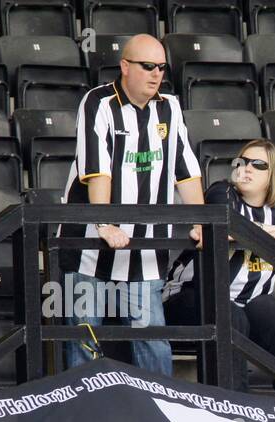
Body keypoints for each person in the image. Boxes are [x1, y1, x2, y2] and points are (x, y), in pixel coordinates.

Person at [60, 34, 205, 375]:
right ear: (125, 66)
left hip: (145, 245)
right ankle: (83, 410)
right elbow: (97, 169)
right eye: (147, 66)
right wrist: (104, 223)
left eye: (161, 67)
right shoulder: (97, 102)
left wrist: (201, 221)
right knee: (85, 336)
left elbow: (185, 169)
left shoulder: (169, 107)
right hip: (89, 243)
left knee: (152, 338)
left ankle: (162, 407)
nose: (156, 74)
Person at [163, 139, 275, 393]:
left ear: (273, 174)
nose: (246, 168)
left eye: (258, 164)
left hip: (249, 299)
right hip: (190, 295)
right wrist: (267, 232)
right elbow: (226, 226)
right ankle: (234, 410)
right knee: (231, 318)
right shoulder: (222, 191)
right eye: (242, 162)